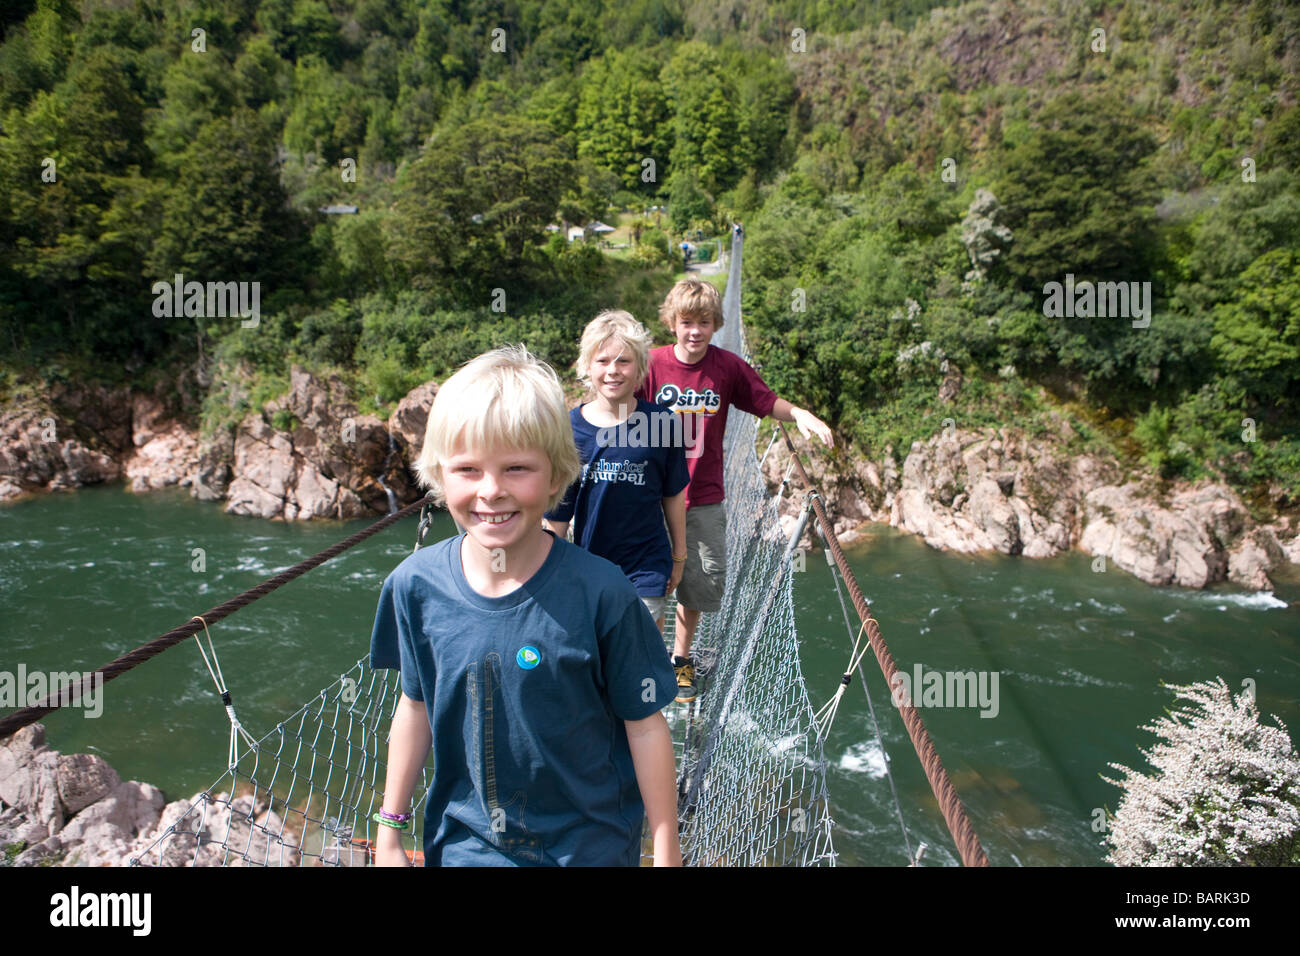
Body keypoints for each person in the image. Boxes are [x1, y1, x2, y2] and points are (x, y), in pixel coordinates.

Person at [368, 345, 681, 866]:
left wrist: (666, 849)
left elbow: (645, 724)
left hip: (590, 848)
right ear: (439, 478)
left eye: (517, 468)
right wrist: (389, 832)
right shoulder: (413, 587)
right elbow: (415, 706)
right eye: (467, 469)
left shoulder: (604, 593)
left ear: (556, 477)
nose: (491, 491)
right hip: (467, 848)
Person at [638, 278, 834, 703]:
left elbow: (764, 401)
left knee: (698, 585)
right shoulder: (650, 365)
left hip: (705, 495)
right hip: (651, 496)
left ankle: (681, 660)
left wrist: (800, 413)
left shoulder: (726, 367)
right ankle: (653, 662)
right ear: (672, 323)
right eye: (686, 321)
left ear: (716, 324)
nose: (695, 331)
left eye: (704, 322)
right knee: (652, 584)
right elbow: (618, 412)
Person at [543, 311, 689, 631]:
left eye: (623, 361)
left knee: (640, 650)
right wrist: (548, 570)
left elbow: (673, 495)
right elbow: (558, 512)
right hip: (587, 565)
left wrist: (679, 556)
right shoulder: (569, 429)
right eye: (603, 361)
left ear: (639, 368)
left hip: (647, 566)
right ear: (587, 366)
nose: (613, 371)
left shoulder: (662, 423)